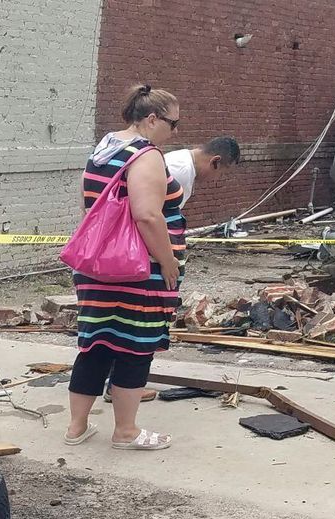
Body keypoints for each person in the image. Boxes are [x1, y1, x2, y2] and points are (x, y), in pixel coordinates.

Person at [66, 84, 184, 451]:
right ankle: (126, 431)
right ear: (152, 119)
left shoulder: (105, 148)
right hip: (136, 269)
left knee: (96, 344)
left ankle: (76, 427)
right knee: (135, 346)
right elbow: (147, 216)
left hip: (98, 264)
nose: (174, 132)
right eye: (173, 123)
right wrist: (169, 262)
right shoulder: (145, 155)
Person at [163, 136, 241, 208]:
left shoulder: (184, 159)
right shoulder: (181, 170)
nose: (216, 180)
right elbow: (154, 215)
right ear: (215, 162)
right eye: (221, 174)